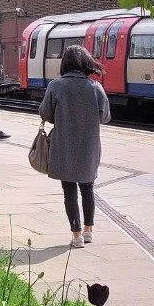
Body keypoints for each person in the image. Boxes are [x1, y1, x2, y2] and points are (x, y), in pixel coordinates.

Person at [39, 45, 111, 246]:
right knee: (88, 188)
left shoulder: (56, 86)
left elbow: (45, 114)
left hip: (63, 145)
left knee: (69, 190)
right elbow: (105, 117)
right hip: (89, 145)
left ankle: (76, 235)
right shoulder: (95, 87)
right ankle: (89, 230)